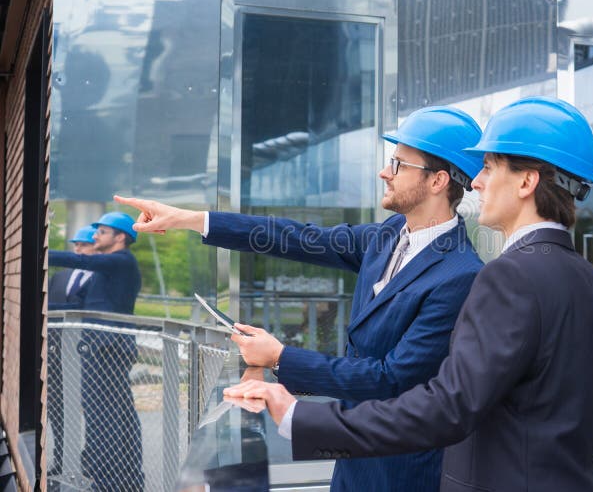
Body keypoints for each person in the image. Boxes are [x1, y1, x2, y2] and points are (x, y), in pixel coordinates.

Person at [226, 97, 593, 491]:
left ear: (527, 182)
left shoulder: (507, 278)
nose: (476, 182)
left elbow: (448, 407)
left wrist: (298, 416)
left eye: (489, 167)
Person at [116, 106, 486, 491]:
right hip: (352, 457)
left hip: (401, 472)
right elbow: (295, 237)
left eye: (398, 164)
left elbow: (390, 379)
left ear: (438, 180)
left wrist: (280, 356)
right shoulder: (390, 234)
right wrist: (189, 219)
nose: (384, 172)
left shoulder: (460, 275)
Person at [49, 212, 145, 491]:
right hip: (101, 348)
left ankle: (108, 482)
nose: (95, 237)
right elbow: (80, 308)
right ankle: (125, 479)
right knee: (116, 416)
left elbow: (81, 260)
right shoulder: (107, 271)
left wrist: (38, 254)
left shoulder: (121, 261)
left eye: (102, 232)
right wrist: (39, 308)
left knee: (104, 418)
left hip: (107, 348)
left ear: (120, 237)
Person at [47, 225, 97, 484]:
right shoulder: (60, 276)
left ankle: (89, 463)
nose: (78, 249)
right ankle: (62, 459)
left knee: (92, 412)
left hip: (87, 357)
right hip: (56, 356)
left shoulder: (101, 278)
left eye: (84, 245)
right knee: (57, 409)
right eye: (76, 244)